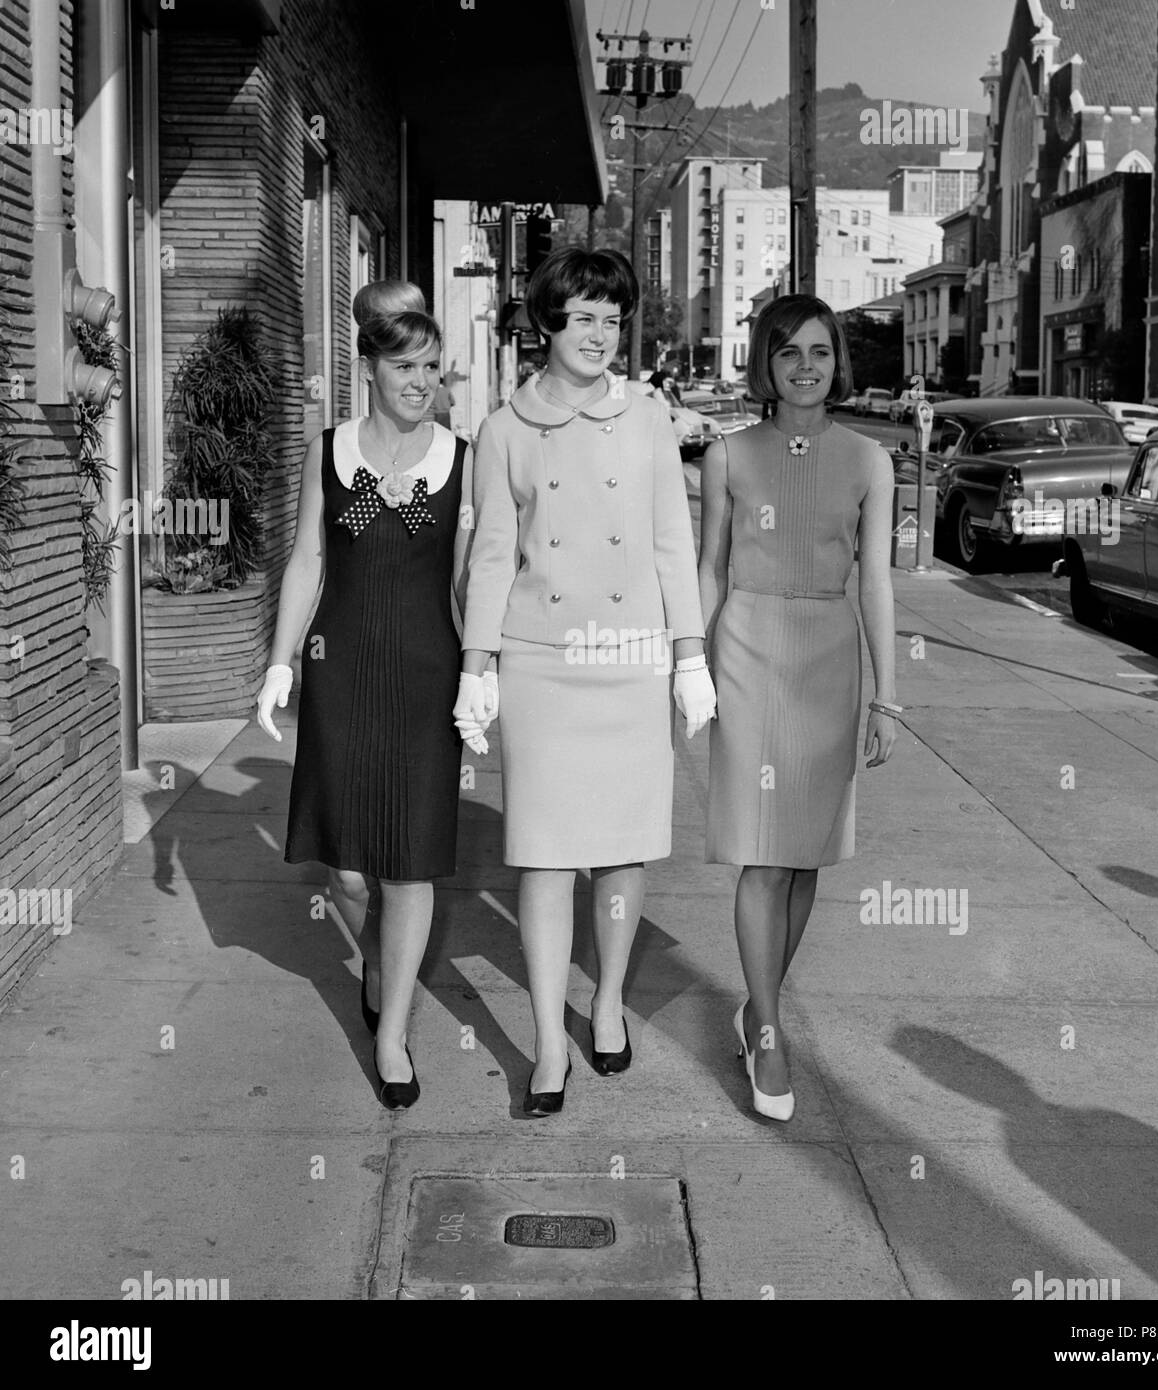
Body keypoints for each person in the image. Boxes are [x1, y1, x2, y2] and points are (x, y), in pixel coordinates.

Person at [455, 247, 716, 1117]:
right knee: (540, 856)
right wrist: (477, 665)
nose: (601, 334)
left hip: (629, 656)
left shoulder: (648, 416)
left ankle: (605, 1002)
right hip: (540, 660)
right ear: (547, 322)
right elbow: (492, 554)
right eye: (584, 317)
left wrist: (688, 654)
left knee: (620, 848)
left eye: (613, 318)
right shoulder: (502, 428)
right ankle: (544, 1041)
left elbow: (671, 542)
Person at [256, 302, 491, 1109]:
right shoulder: (330, 452)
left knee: (413, 862)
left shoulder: (462, 457)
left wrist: (482, 672)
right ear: (369, 368)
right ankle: (377, 953)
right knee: (352, 871)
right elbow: (307, 559)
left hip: (427, 672)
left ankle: (391, 1036)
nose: (421, 382)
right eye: (405, 368)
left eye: (432, 367)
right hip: (341, 667)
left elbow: (468, 580)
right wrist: (280, 662)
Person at [698, 293, 898, 1122]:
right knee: (761, 851)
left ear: (835, 362)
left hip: (826, 651)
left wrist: (888, 694)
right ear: (766, 364)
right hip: (745, 646)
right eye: (788, 353)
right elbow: (710, 566)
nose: (806, 366)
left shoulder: (868, 461)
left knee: (806, 853)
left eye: (819, 351)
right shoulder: (728, 455)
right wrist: (691, 665)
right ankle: (770, 1031)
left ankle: (757, 1005)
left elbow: (877, 579)